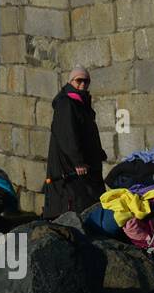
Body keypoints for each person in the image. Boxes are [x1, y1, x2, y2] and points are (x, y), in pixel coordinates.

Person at [43, 66, 108, 217]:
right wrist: (77, 161)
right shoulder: (66, 103)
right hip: (69, 166)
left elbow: (86, 133)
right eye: (79, 80)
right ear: (71, 81)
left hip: (84, 163)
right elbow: (67, 135)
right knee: (73, 200)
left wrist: (98, 152)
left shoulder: (80, 103)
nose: (83, 84)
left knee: (87, 199)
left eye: (86, 81)